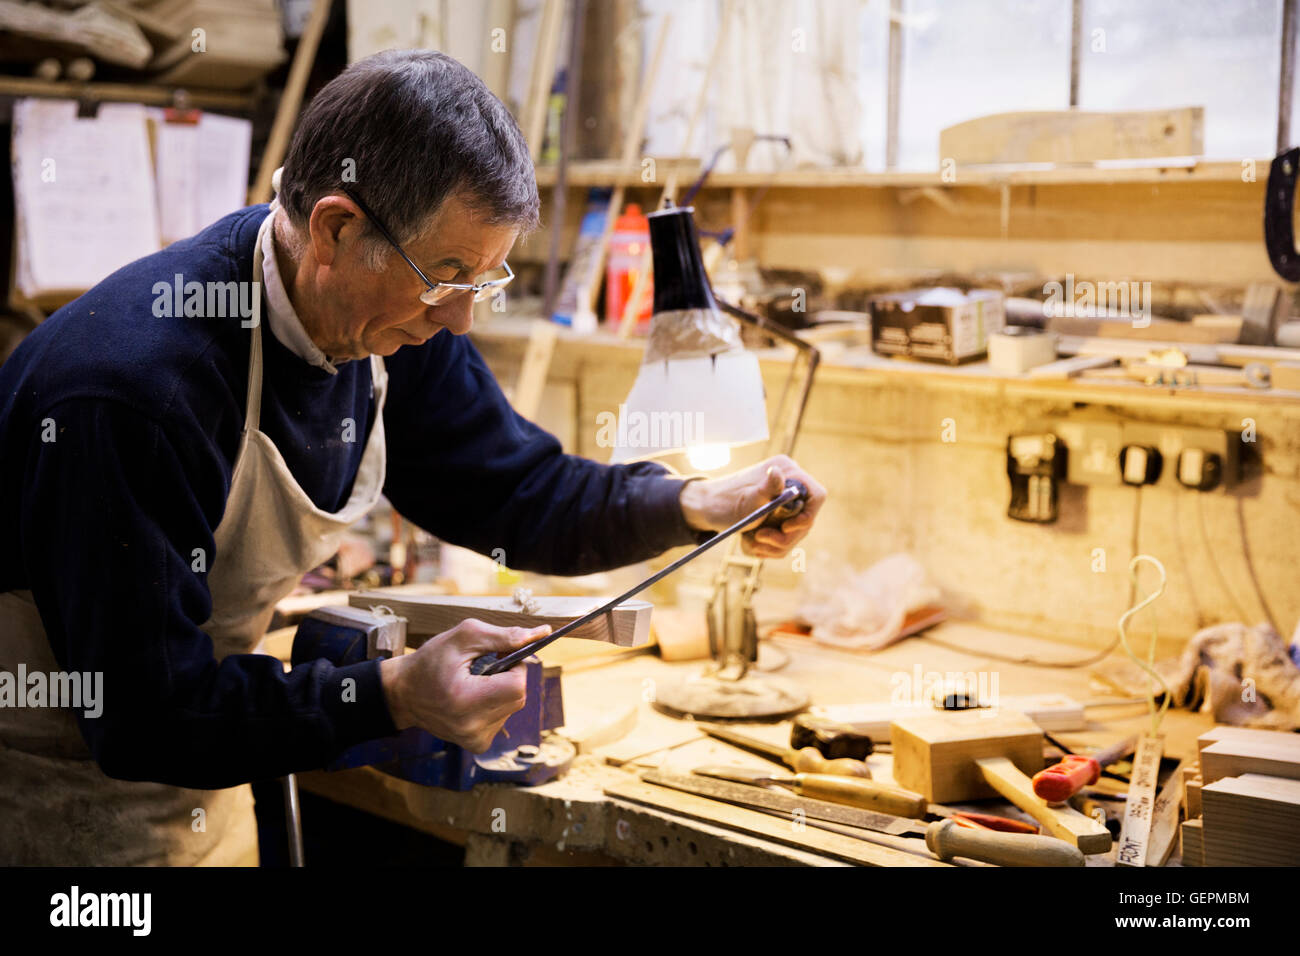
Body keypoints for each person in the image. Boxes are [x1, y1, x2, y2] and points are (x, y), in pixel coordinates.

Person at [0, 50, 825, 865]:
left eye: (486, 279)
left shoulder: (393, 319)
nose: (463, 318)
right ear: (335, 228)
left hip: (208, 778)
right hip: (55, 799)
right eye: (450, 275)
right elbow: (146, 716)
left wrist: (693, 505)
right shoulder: (132, 394)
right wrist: (389, 694)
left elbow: (514, 490)